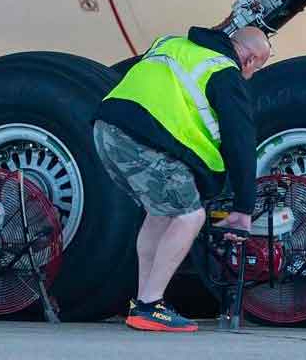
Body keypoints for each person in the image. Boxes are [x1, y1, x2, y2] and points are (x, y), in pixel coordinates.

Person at [93, 24, 272, 332]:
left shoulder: (174, 45)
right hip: (142, 140)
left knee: (160, 214)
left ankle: (142, 303)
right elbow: (240, 142)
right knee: (191, 216)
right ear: (252, 59)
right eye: (257, 67)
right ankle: (151, 305)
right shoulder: (224, 72)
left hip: (106, 129)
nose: (252, 75)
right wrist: (243, 210)